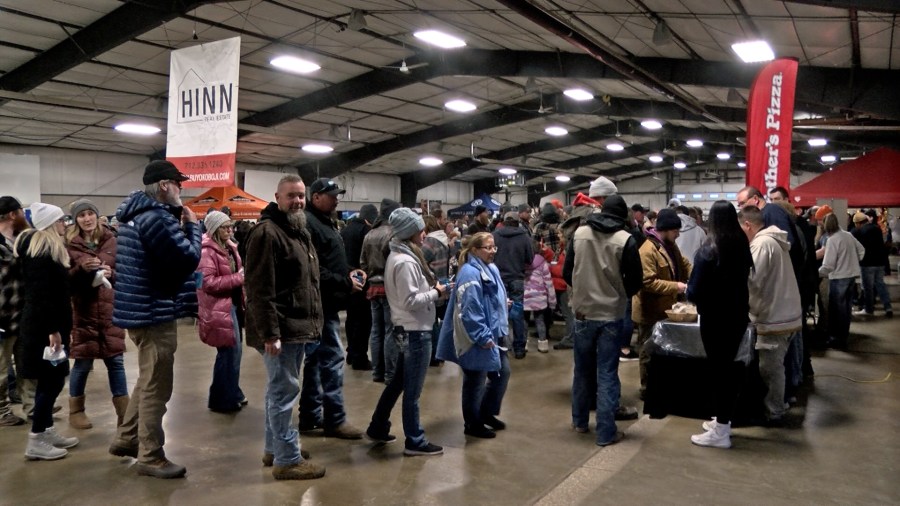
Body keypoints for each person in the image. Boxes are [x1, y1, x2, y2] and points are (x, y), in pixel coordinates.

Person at [108, 160, 200, 479]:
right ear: (164, 185)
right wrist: (194, 226)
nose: (181, 188)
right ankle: (150, 455)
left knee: (148, 379)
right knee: (157, 386)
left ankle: (126, 438)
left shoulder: (134, 216)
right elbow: (187, 258)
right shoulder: (155, 218)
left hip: (140, 310)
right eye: (178, 183)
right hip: (153, 311)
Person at [244, 175, 325, 480]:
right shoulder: (267, 233)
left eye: (302, 196)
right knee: (284, 392)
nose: (298, 201)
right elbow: (258, 289)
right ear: (277, 197)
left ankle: (275, 447)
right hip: (282, 330)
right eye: (291, 195)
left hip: (296, 326)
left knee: (279, 390)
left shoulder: (297, 230)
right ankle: (287, 459)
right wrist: (270, 334)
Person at [562, 195, 642, 447]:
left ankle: (579, 421)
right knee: (607, 373)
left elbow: (567, 272)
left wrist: (584, 292)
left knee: (582, 369)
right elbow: (635, 281)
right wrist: (618, 295)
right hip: (611, 315)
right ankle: (606, 433)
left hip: (583, 313)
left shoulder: (580, 234)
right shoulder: (625, 239)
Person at [366, 208, 446, 456]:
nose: (424, 234)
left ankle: (378, 426)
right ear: (410, 232)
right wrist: (438, 292)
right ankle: (415, 440)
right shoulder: (405, 261)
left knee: (398, 383)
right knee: (412, 391)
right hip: (415, 332)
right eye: (420, 230)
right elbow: (411, 300)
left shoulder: (402, 256)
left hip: (410, 330)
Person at [299, 178, 365, 439]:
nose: (337, 199)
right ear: (316, 198)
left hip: (326, 303)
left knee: (316, 362)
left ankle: (310, 416)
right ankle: (334, 419)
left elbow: (331, 262)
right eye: (332, 195)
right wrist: (344, 281)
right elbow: (312, 269)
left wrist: (350, 271)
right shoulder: (309, 224)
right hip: (320, 305)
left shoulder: (326, 223)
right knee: (332, 360)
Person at [13, 203, 80, 460]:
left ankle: (47, 429)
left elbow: (58, 290)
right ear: (51, 224)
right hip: (45, 330)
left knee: (54, 379)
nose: (66, 224)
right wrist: (53, 330)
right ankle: (36, 438)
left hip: (52, 326)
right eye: (62, 220)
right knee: (50, 382)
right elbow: (41, 296)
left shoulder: (50, 251)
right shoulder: (40, 254)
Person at [687, 201, 754, 449]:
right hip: (737, 317)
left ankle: (721, 431)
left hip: (715, 319)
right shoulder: (740, 243)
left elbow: (694, 291)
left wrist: (689, 290)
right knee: (727, 370)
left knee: (719, 372)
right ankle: (722, 422)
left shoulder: (709, 250)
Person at [436, 232, 510, 439]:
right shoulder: (469, 273)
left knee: (501, 373)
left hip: (494, 332)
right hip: (477, 336)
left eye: (494, 247)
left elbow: (490, 298)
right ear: (475, 250)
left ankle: (485, 413)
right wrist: (482, 336)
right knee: (475, 380)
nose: (493, 251)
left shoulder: (490, 268)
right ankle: (472, 422)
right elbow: (469, 310)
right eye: (488, 247)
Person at [64, 199, 127, 430]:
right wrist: (81, 270)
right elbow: (65, 282)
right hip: (84, 310)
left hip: (111, 309)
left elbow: (125, 275)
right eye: (82, 215)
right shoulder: (70, 245)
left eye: (90, 214)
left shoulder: (112, 241)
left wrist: (113, 273)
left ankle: (124, 413)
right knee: (82, 363)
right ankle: (76, 411)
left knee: (116, 361)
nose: (87, 218)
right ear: (76, 219)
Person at [739, 206, 802, 425]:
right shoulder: (774, 241)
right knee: (778, 367)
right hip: (786, 313)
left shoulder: (762, 244)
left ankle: (774, 411)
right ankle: (779, 403)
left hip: (774, 317)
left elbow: (752, 279)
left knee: (771, 370)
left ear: (747, 225)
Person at [632, 208, 691, 400]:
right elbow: (647, 282)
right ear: (665, 229)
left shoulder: (670, 246)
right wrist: (678, 287)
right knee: (648, 351)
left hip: (666, 309)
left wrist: (699, 276)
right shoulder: (647, 250)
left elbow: (684, 265)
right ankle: (647, 389)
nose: (678, 234)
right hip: (650, 311)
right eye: (675, 231)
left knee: (664, 350)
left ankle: (661, 385)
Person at [197, 211, 246, 413]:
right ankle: (222, 400)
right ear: (215, 229)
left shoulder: (229, 247)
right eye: (225, 227)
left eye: (230, 226)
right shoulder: (206, 251)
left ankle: (232, 392)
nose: (230, 230)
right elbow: (207, 283)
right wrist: (239, 278)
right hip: (218, 308)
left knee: (232, 353)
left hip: (231, 305)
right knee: (229, 353)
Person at [360, 199, 401, 383]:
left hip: (372, 287)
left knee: (376, 331)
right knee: (390, 331)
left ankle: (377, 371)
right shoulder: (393, 234)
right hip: (389, 288)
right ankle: (390, 374)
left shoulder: (370, 234)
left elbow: (363, 262)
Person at [0, 196, 28, 427]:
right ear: (12, 214)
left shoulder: (20, 240)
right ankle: (2, 412)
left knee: (25, 363)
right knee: (1, 368)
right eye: (21, 212)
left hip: (22, 315)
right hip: (2, 317)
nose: (24, 217)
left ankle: (31, 404)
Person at [819, 214, 865, 349]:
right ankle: (843, 337)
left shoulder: (832, 240)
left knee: (836, 311)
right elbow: (862, 250)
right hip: (851, 277)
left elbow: (828, 265)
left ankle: (836, 339)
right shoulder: (848, 235)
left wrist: (817, 273)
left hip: (838, 278)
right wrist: (854, 262)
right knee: (845, 310)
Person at [341, 204, 378, 370]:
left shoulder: (345, 230)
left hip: (347, 280)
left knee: (351, 318)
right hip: (363, 279)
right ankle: (360, 357)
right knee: (364, 321)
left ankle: (350, 352)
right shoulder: (366, 232)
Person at [492, 211, 533, 359]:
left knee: (499, 312)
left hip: (499, 279)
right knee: (518, 314)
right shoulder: (525, 237)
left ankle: (501, 346)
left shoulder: (495, 236)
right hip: (517, 278)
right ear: (517, 222)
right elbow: (530, 259)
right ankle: (519, 348)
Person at [851, 211, 893, 317]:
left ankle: (869, 309)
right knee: (880, 285)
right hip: (880, 262)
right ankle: (888, 307)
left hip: (867, 263)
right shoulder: (877, 228)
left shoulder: (858, 231)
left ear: (858, 223)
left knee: (868, 288)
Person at [421, 215, 450, 366]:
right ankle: (441, 353)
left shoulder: (428, 244)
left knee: (432, 323)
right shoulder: (443, 240)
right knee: (439, 322)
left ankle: (434, 355)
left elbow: (419, 262)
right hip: (443, 284)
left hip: (432, 287)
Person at [524, 238, 556, 353]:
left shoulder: (522, 261)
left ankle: (523, 344)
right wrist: (552, 301)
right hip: (540, 298)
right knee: (540, 320)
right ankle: (543, 344)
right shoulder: (543, 263)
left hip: (525, 296)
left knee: (524, 321)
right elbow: (548, 282)